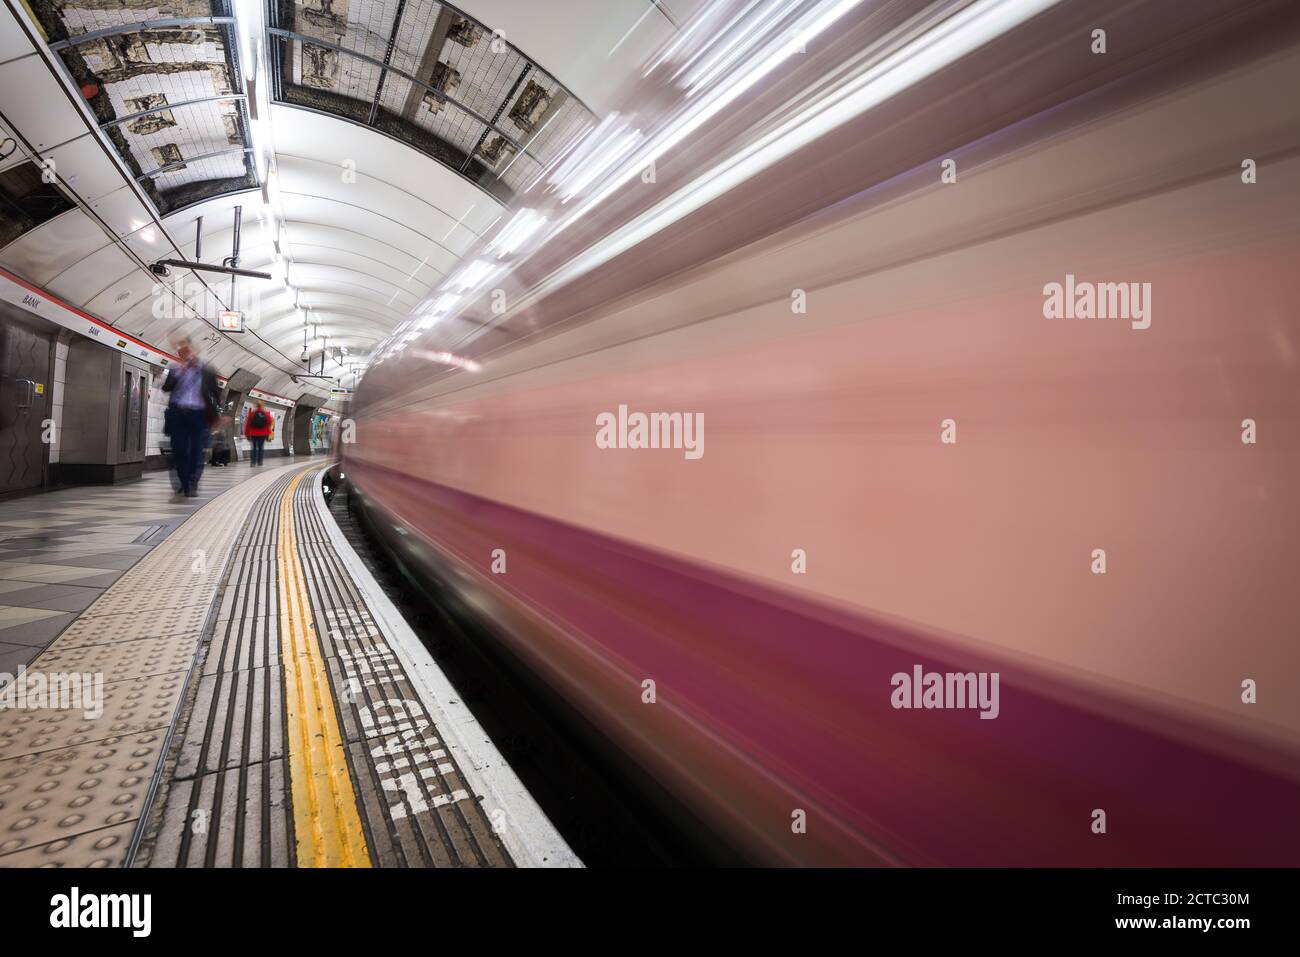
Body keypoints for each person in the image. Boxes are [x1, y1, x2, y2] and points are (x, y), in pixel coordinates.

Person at [162, 336, 222, 498]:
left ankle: (193, 482)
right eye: (181, 351)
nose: (184, 354)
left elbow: (216, 395)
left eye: (187, 350)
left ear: (194, 350)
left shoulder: (207, 371)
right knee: (179, 449)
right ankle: (184, 482)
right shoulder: (175, 370)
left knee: (196, 450)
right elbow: (165, 388)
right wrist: (179, 373)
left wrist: (220, 416)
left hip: (199, 415)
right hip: (178, 415)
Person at [243, 399, 272, 466]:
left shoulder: (252, 413)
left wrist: (247, 433)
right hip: (263, 433)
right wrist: (267, 432)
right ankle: (260, 462)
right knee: (261, 447)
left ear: (256, 405)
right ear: (262, 406)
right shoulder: (266, 414)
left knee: (253, 448)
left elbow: (248, 424)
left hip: (253, 433)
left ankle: (253, 462)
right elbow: (269, 423)